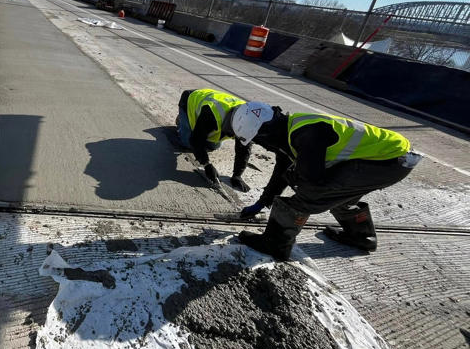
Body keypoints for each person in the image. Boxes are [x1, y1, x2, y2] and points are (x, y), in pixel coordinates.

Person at [231, 101, 421, 260]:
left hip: (389, 161)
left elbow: (314, 179)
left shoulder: (306, 136)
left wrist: (296, 176)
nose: (262, 147)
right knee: (338, 193)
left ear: (265, 133)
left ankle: (275, 245)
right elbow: (282, 170)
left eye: (258, 141)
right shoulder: (291, 130)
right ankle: (361, 237)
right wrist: (263, 201)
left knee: (310, 193)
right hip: (389, 158)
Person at [176, 89, 252, 192]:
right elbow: (195, 140)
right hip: (189, 100)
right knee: (188, 142)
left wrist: (237, 175)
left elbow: (244, 149)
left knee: (214, 146)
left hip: (209, 108)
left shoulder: (248, 122)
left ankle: (198, 127)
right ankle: (181, 121)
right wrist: (207, 164)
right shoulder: (213, 113)